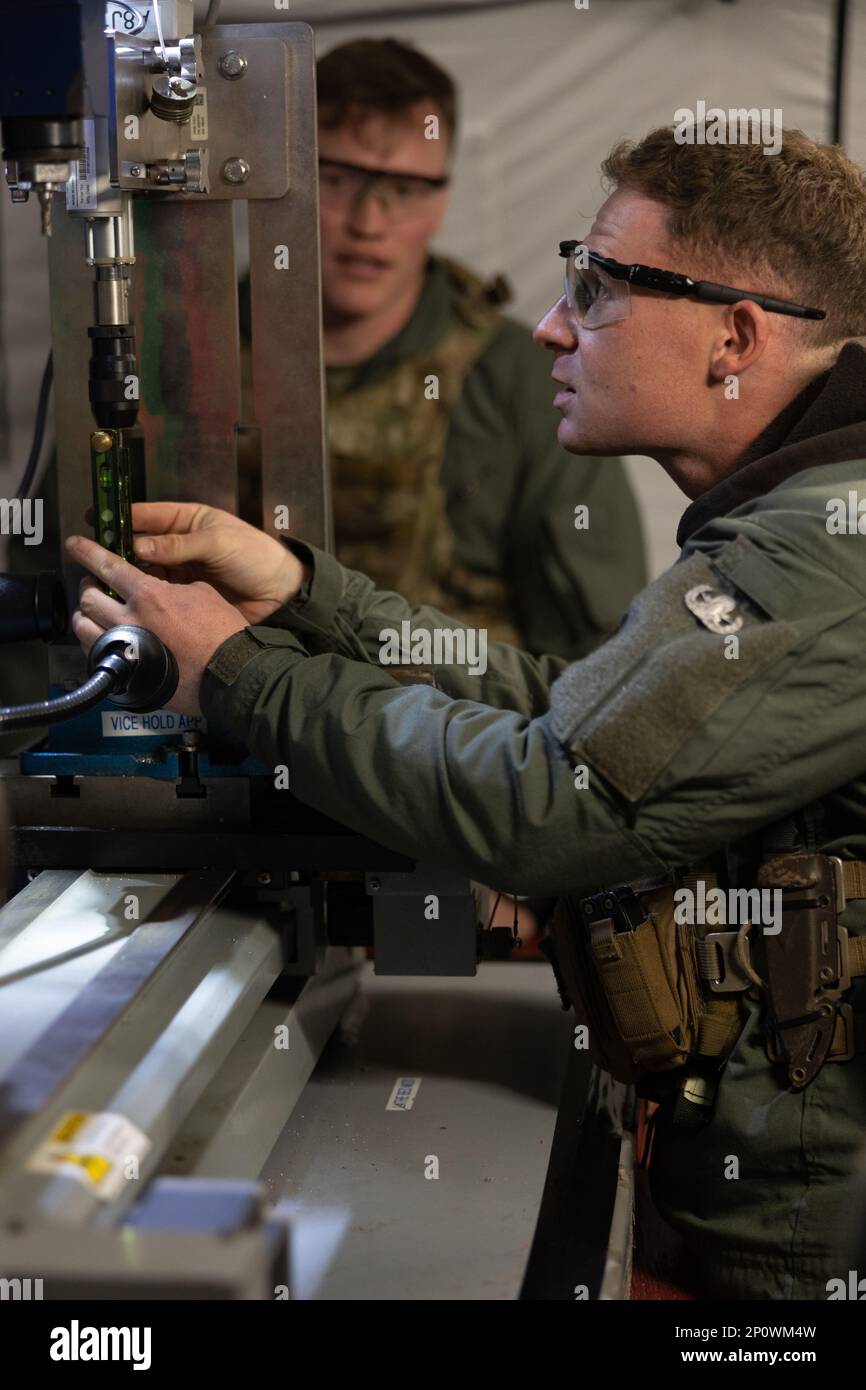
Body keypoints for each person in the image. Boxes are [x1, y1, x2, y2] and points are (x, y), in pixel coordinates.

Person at [68, 125, 866, 1301]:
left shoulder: (814, 556)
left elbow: (556, 796)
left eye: (595, 288)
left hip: (799, 1221)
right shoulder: (801, 519)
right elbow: (583, 715)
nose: (551, 325)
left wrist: (240, 675)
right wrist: (310, 596)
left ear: (734, 336)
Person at [240, 37, 646, 655]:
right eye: (340, 178)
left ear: (443, 197)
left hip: (452, 745)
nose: (369, 222)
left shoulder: (531, 376)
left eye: (405, 188)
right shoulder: (189, 347)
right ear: (284, 179)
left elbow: (597, 664)